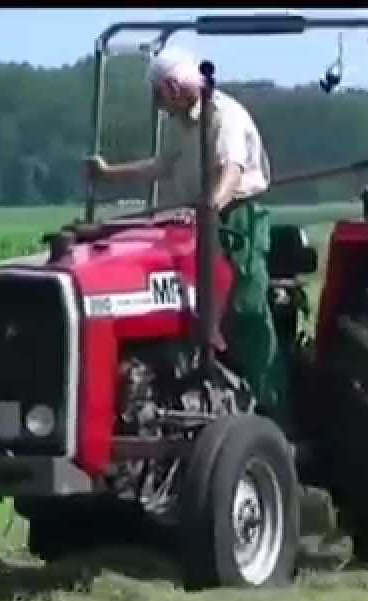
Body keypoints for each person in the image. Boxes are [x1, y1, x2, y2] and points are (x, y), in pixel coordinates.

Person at [86, 46, 288, 416]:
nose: (158, 105)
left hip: (235, 219)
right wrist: (108, 174)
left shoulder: (223, 115)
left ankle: (272, 406)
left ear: (175, 87)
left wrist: (211, 205)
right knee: (185, 302)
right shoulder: (180, 124)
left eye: (159, 95)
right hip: (191, 222)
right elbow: (162, 166)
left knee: (244, 309)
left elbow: (233, 169)